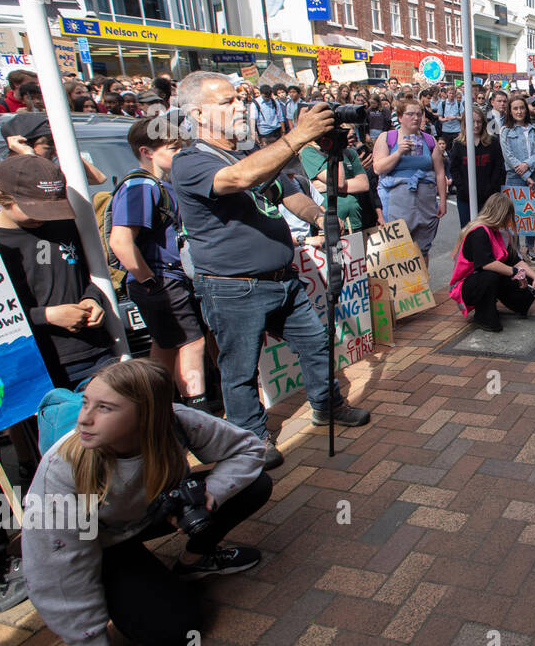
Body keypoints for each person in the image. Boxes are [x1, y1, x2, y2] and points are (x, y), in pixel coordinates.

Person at [24, 360, 272, 646]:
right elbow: (52, 564)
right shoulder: (62, 467)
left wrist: (209, 493)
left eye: (105, 408)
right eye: (86, 403)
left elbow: (249, 449)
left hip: (151, 509)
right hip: (100, 540)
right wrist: (85, 638)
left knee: (256, 484)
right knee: (174, 629)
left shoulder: (177, 421)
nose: (85, 418)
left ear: (148, 415)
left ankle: (194, 562)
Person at [169, 71, 371, 470]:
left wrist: (319, 217)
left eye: (239, 98)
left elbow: (288, 193)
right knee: (240, 369)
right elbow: (238, 180)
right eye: (227, 102)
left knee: (316, 343)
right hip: (233, 287)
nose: (240, 106)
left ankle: (326, 405)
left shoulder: (247, 152)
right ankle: (251, 438)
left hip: (283, 281)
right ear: (198, 112)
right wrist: (299, 134)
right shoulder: (190, 161)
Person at [108, 118, 208, 410]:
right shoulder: (140, 186)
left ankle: (160, 410)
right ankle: (196, 412)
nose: (180, 153)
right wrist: (150, 281)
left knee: (165, 348)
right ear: (146, 151)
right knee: (192, 343)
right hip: (162, 280)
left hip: (167, 279)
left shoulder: (159, 184)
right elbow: (120, 241)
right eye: (173, 147)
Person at [0, 156, 113, 388]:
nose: (44, 217)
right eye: (35, 209)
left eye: (52, 208)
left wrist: (93, 298)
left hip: (95, 352)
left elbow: (89, 274)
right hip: (35, 366)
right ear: (1, 197)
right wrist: (48, 316)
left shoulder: (65, 225)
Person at [449, 192, 535, 332]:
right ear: (501, 214)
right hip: (465, 286)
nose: (510, 219)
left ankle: (513, 304)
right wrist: (516, 272)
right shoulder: (478, 232)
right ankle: (484, 317)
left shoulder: (499, 232)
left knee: (525, 278)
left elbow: (515, 260)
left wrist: (534, 276)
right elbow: (487, 264)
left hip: (483, 279)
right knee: (491, 275)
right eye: (508, 215)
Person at [372, 98, 449, 262]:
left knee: (423, 249)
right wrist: (398, 152)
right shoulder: (387, 137)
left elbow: (440, 172)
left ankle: (422, 287)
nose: (415, 118)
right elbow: (378, 168)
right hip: (396, 203)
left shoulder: (429, 140)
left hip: (425, 204)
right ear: (400, 117)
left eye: (419, 114)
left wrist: (442, 201)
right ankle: (403, 288)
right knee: (398, 250)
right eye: (410, 114)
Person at [499, 93, 535, 264]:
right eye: (515, 108)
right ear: (510, 111)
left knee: (532, 214)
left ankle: (530, 248)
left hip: (534, 173)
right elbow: (508, 156)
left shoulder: (534, 130)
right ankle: (516, 251)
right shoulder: (505, 130)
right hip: (514, 176)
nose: (519, 111)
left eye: (521, 108)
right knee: (514, 217)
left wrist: (527, 165)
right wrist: (525, 174)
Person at [299, 125, 375, 234]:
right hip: (332, 224)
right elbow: (338, 182)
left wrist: (328, 186)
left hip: (355, 221)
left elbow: (363, 185)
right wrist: (335, 152)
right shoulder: (310, 152)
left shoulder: (350, 153)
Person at [0, 112, 107, 185]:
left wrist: (67, 151)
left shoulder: (52, 170)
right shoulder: (5, 175)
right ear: (23, 144)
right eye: (48, 148)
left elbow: (99, 178)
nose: (54, 154)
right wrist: (28, 154)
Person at [448, 106, 507, 225]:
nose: (475, 125)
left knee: (488, 230)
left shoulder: (492, 142)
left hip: (489, 197)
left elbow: (499, 167)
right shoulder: (458, 144)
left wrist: (492, 188)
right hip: (465, 197)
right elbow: (454, 169)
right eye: (472, 122)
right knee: (467, 231)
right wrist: (463, 188)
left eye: (479, 121)